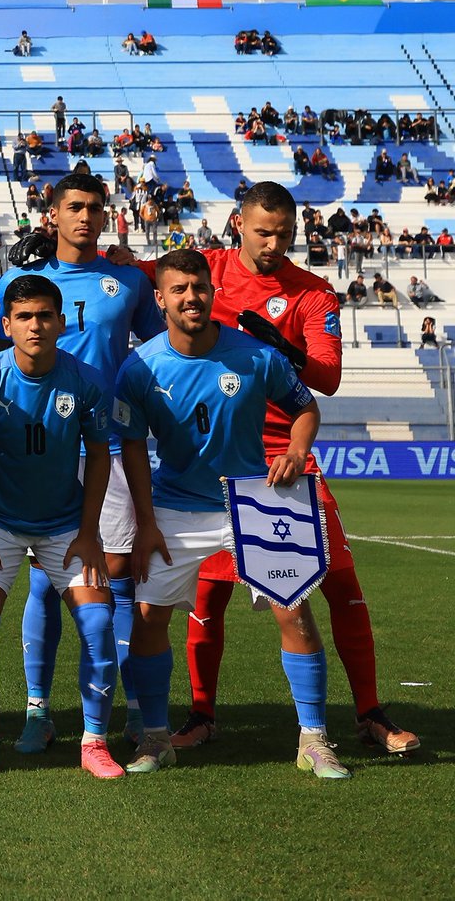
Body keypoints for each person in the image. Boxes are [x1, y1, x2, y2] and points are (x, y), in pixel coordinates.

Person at [138, 184, 419, 759]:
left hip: (286, 459)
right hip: (212, 459)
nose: (272, 243)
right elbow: (129, 272)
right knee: (207, 595)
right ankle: (202, 715)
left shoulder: (311, 293)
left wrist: (281, 348)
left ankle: (367, 713)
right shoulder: (204, 271)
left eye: (284, 234)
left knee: (337, 582)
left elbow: (328, 378)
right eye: (263, 232)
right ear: (238, 224)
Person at [114, 249, 350, 779]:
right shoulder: (140, 367)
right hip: (175, 506)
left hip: (254, 496)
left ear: (212, 291)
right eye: (178, 289)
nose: (191, 297)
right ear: (160, 299)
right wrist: (146, 521)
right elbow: (131, 445)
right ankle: (155, 738)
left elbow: (306, 407)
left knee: (294, 611)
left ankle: (313, 738)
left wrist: (294, 449)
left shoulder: (256, 355)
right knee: (150, 619)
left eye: (198, 286)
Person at [0, 173, 165, 751]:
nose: (85, 217)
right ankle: (39, 710)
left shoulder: (129, 281)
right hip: (39, 451)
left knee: (109, 580)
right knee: (42, 582)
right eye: (74, 207)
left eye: (95, 207)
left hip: (106, 448)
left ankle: (124, 710)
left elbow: (159, 350)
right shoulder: (18, 282)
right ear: (52, 215)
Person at [0, 274, 123, 780]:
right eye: (24, 317)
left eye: (44, 316)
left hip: (65, 525)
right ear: (6, 325)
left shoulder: (88, 381)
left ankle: (94, 741)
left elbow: (98, 457)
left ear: (62, 322)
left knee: (97, 624)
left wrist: (89, 531)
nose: (35, 326)